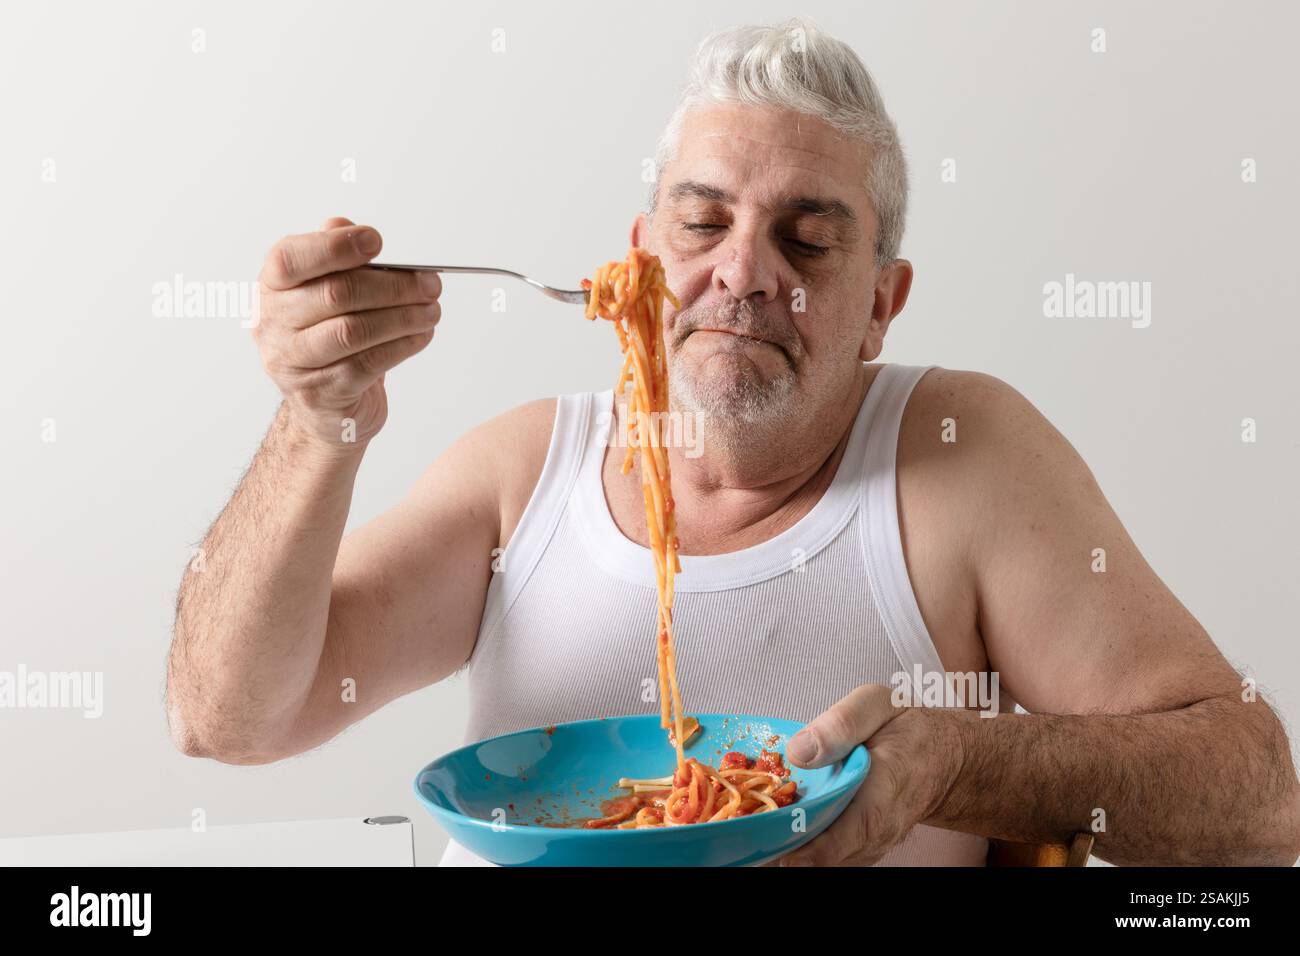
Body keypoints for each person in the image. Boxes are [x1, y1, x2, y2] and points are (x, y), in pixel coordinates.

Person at [166, 20, 1300, 866]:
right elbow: (224, 718)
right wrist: (317, 425)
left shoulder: (963, 455)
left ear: (880, 305)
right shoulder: (524, 471)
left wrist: (966, 762)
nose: (744, 270)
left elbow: (1259, 798)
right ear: (639, 255)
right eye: (703, 222)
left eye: (807, 241)